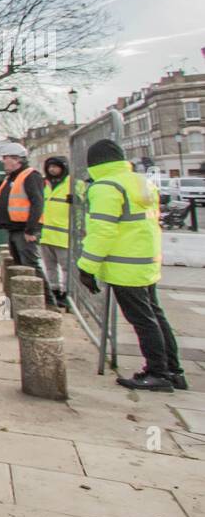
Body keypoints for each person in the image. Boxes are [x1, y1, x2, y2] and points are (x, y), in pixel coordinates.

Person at [76, 139, 187, 392]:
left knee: (143, 320)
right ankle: (174, 371)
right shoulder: (139, 181)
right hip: (145, 260)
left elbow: (102, 231)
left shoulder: (106, 186)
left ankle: (157, 372)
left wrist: (87, 266)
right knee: (154, 315)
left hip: (124, 264)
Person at [0, 142, 45, 284]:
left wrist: (30, 230)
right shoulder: (12, 177)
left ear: (17, 159)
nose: (2, 161)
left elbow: (37, 203)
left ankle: (49, 301)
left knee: (30, 267)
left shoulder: (30, 176)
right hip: (15, 229)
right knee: (21, 266)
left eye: (5, 157)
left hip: (24, 230)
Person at [39, 156, 72, 306]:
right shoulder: (44, 184)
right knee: (50, 267)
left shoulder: (71, 184)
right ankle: (54, 291)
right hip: (46, 235)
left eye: (55, 166)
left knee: (66, 267)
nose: (52, 169)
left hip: (63, 235)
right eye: (49, 166)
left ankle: (67, 294)